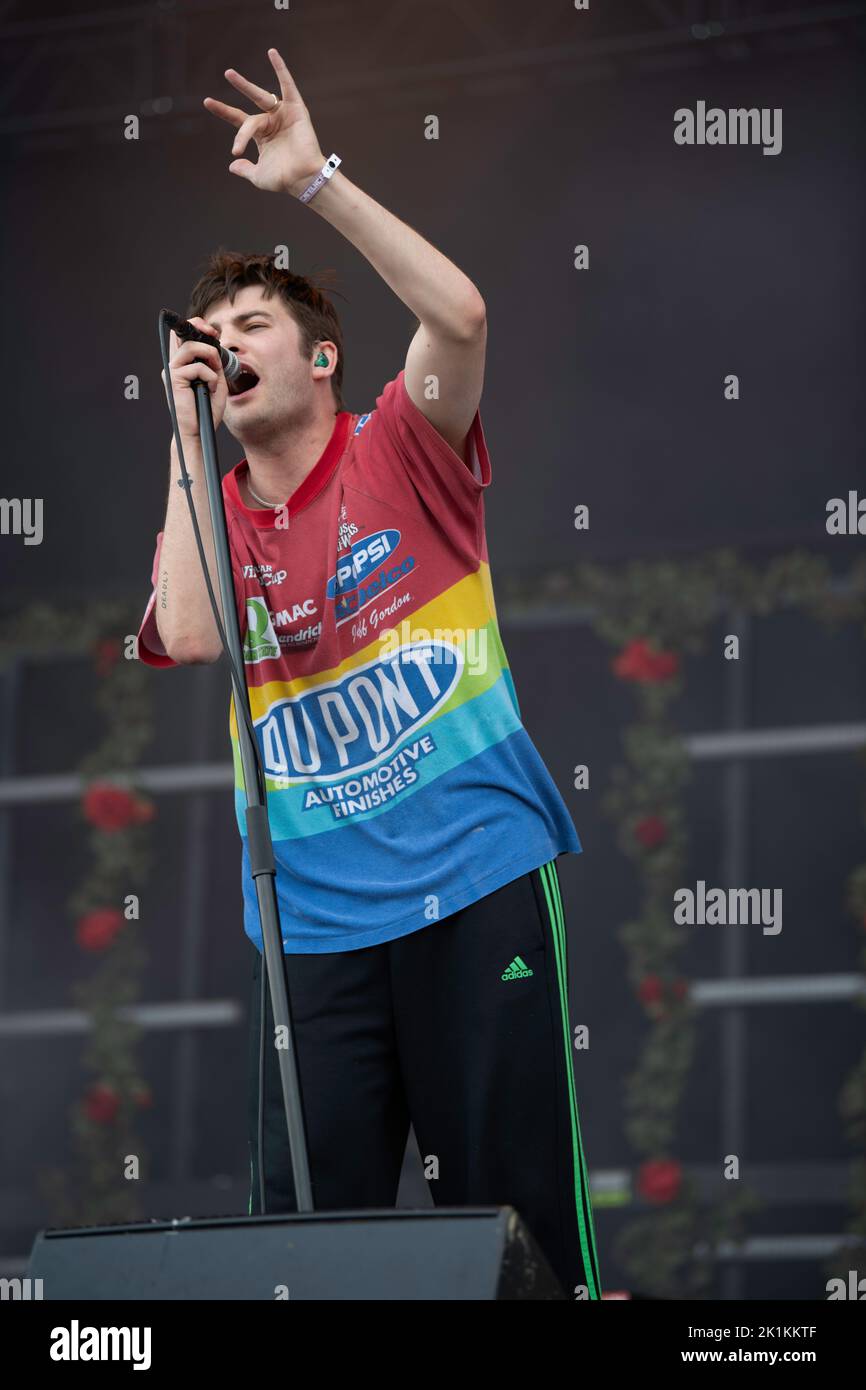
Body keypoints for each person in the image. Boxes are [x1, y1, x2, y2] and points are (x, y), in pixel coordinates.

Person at [136, 47, 602, 1299]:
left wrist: (314, 181)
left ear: (322, 360)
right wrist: (182, 439)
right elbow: (185, 636)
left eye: (250, 330)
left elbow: (458, 316)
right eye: (209, 337)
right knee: (303, 1249)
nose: (222, 347)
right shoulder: (214, 510)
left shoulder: (400, 438)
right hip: (314, 925)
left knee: (513, 1223)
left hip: (471, 877)